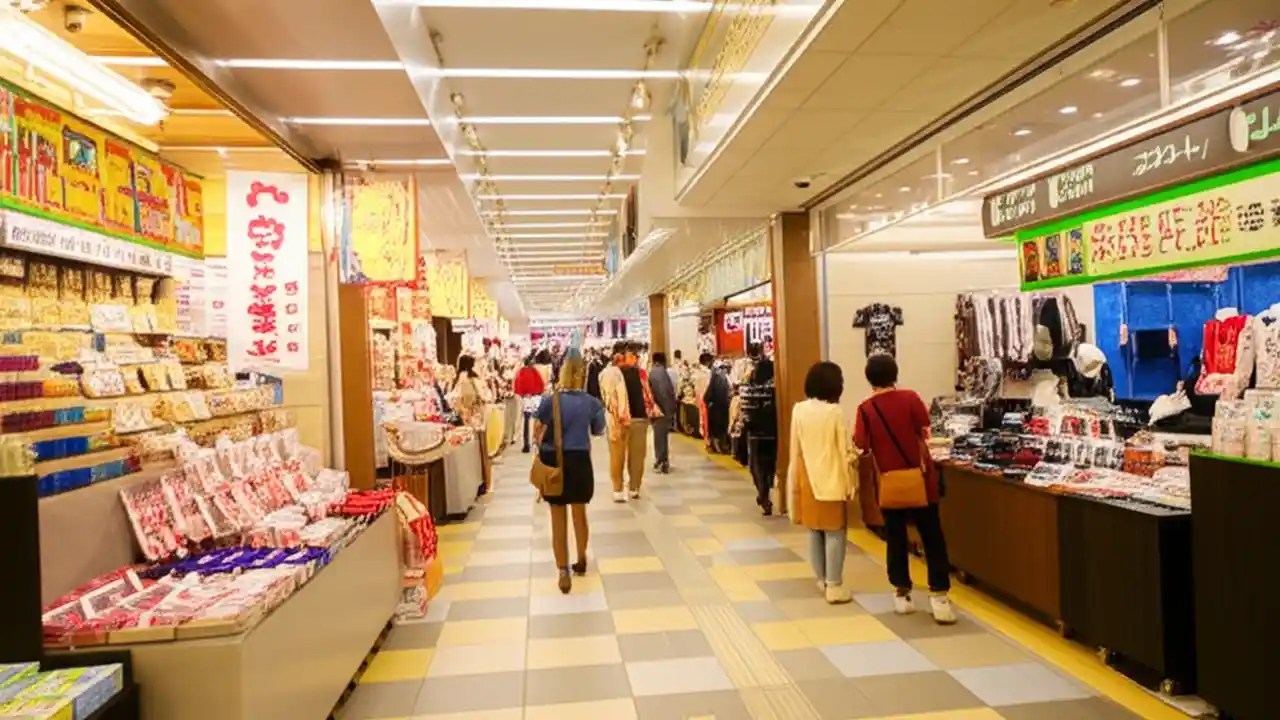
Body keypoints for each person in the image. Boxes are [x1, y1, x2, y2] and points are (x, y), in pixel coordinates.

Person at [853, 354, 956, 625]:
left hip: (890, 484)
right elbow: (925, 428)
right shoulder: (911, 398)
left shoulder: (865, 409)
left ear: (869, 378)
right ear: (894, 374)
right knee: (932, 536)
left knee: (896, 537)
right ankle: (940, 597)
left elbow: (861, 444)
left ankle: (902, 593)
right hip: (920, 480)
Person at [534, 351, 605, 594]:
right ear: (583, 373)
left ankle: (563, 571)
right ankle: (582, 557)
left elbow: (537, 429)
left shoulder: (550, 401)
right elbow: (598, 430)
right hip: (580, 460)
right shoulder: (591, 403)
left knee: (557, 517)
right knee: (579, 512)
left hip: (555, 460)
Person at [788, 361, 856, 604]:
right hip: (832, 477)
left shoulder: (799, 410)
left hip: (806, 476)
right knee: (835, 531)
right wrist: (852, 478)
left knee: (814, 530)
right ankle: (834, 585)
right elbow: (845, 449)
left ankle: (821, 578)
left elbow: (795, 447)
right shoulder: (835, 412)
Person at [600, 342, 658, 502]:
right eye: (634, 354)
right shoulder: (638, 373)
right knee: (635, 455)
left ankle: (620, 489)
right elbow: (648, 395)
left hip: (621, 419)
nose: (636, 358)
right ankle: (632, 487)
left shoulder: (608, 374)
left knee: (618, 455)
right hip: (635, 418)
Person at [740, 359, 778, 515]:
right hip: (772, 432)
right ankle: (766, 490)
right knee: (769, 465)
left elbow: (744, 410)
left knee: (756, 467)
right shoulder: (774, 387)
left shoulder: (749, 387)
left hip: (754, 433)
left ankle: (762, 493)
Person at [648, 352, 678, 474]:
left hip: (659, 409)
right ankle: (663, 460)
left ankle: (661, 460)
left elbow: (659, 392)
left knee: (659, 436)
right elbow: (667, 391)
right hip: (664, 408)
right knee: (662, 436)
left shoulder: (654, 372)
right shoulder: (662, 372)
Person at [513, 356, 546, 453]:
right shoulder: (535, 371)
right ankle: (535, 441)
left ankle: (526, 444)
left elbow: (517, 385)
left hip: (526, 399)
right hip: (535, 399)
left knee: (526, 422)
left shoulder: (521, 372)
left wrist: (523, 394)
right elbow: (541, 385)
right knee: (536, 421)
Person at [704, 356, 732, 454]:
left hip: (715, 406)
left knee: (715, 428)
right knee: (722, 427)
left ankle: (717, 447)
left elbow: (709, 392)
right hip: (724, 406)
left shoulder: (715, 375)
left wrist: (707, 401)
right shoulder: (725, 376)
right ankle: (723, 446)